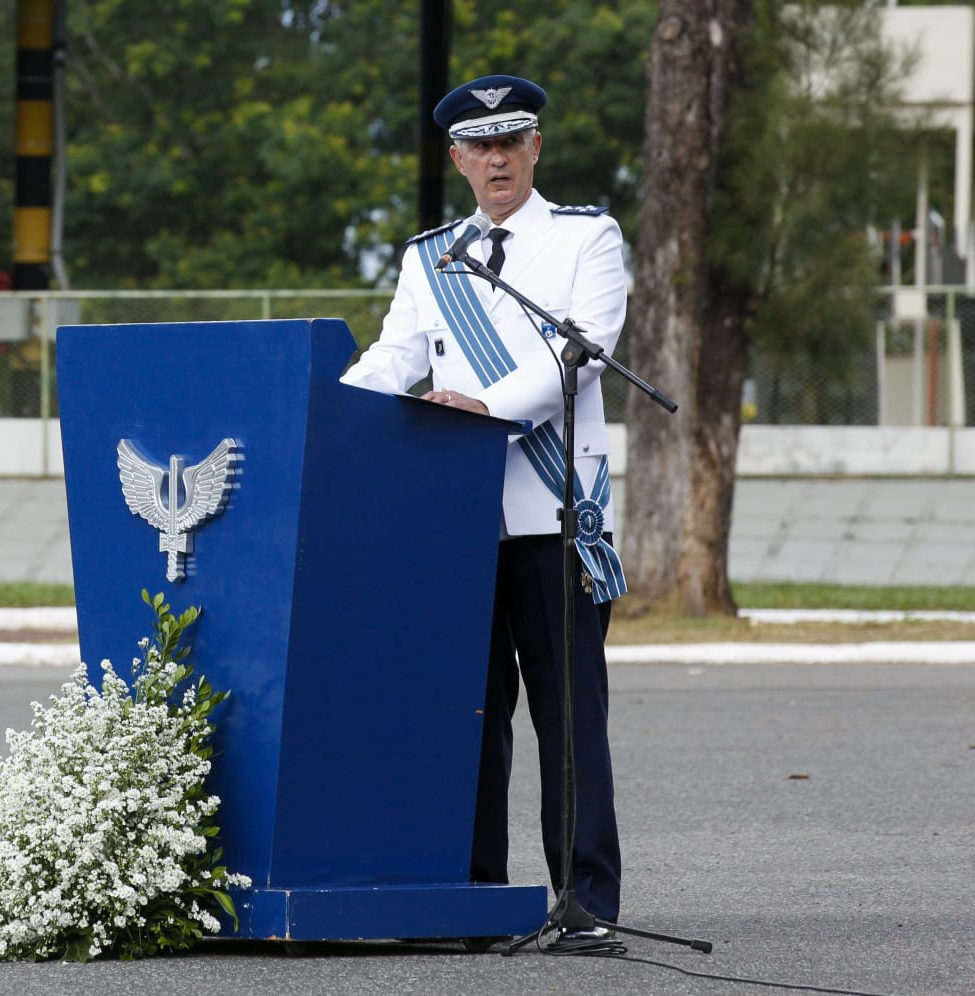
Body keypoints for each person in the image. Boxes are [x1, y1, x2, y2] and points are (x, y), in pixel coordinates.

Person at [340, 74, 627, 946]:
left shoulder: (588, 238)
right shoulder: (427, 257)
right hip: (450, 525)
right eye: (480, 145)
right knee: (465, 717)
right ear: (457, 159)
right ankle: (471, 896)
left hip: (550, 514)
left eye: (513, 140)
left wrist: (482, 411)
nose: (497, 157)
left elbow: (578, 353)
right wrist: (331, 414)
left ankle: (584, 905)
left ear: (534, 149)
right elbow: (394, 356)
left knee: (568, 718)